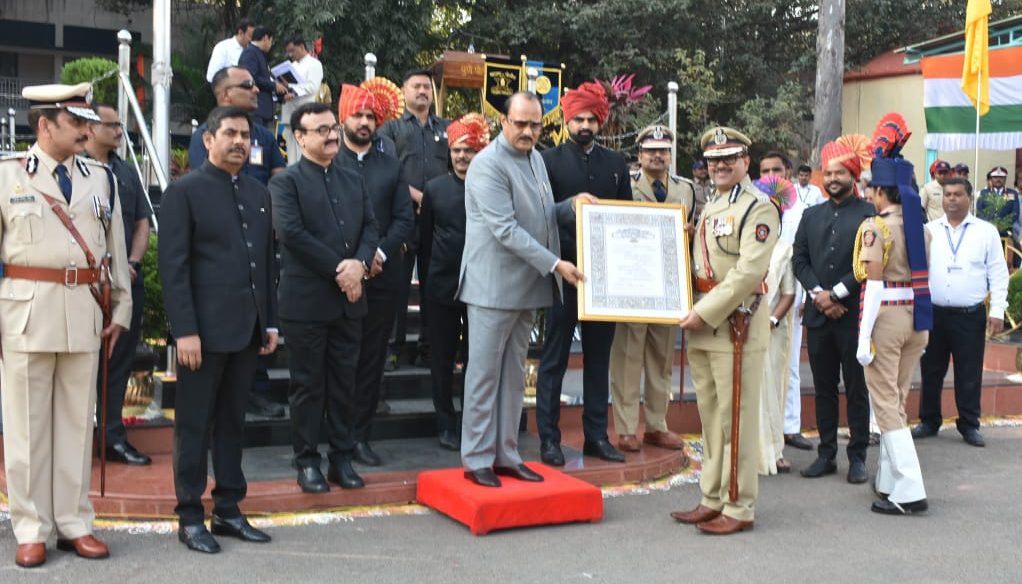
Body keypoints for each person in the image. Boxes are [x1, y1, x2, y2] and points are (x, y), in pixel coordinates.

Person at [0, 83, 131, 568]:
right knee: (27, 429)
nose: (85, 130)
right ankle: (31, 527)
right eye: (75, 122)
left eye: (87, 122)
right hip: (26, 313)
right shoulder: (8, 174)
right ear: (45, 125)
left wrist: (121, 308)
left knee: (77, 426)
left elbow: (114, 246)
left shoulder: (101, 178)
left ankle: (74, 522)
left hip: (84, 312)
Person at [458, 91, 591, 488]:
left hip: (527, 287)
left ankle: (506, 454)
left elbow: (541, 216)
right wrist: (555, 264)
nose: (528, 131)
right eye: (520, 123)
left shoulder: (535, 159)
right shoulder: (487, 165)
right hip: (492, 288)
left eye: (535, 124)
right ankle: (477, 458)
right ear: (504, 122)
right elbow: (506, 229)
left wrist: (571, 205)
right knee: (484, 376)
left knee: (514, 377)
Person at [160, 106, 278, 552]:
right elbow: (174, 268)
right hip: (202, 335)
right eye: (230, 133)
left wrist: (269, 322)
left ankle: (228, 508)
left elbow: (265, 264)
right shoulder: (184, 192)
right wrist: (184, 330)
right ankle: (190, 516)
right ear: (209, 140)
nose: (239, 142)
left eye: (245, 135)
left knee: (232, 423)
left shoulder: (258, 192)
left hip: (247, 330)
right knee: (193, 426)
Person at [672, 126, 778, 535]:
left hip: (735, 324)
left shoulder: (758, 208)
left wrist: (704, 312)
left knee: (736, 420)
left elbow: (749, 272)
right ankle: (712, 497)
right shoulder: (713, 204)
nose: (719, 166)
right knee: (712, 420)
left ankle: (739, 505)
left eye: (729, 158)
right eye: (713, 160)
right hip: (705, 324)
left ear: (745, 162)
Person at [269, 102, 380, 492]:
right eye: (322, 130)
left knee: (344, 384)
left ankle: (341, 459)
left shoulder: (353, 179)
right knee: (308, 386)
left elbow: (370, 227)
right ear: (300, 138)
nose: (332, 135)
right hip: (307, 303)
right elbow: (292, 235)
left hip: (350, 302)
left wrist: (360, 265)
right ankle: (307, 462)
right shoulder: (285, 183)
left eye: (333, 128)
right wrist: (341, 270)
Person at [535, 80, 632, 467]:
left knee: (598, 359)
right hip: (563, 273)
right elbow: (540, 216)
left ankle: (596, 436)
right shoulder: (546, 161)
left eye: (592, 119)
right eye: (579, 119)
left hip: (604, 278)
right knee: (554, 358)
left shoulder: (616, 164)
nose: (586, 125)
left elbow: (627, 217)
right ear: (567, 120)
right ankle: (549, 439)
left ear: (601, 121)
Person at [189, 66, 287, 418]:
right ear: (224, 94)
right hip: (224, 249)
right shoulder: (204, 135)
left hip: (258, 230)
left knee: (257, 316)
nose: (257, 89)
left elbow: (278, 175)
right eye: (247, 85)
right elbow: (207, 187)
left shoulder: (262, 134)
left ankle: (256, 390)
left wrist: (266, 213)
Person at [854, 114, 931, 515]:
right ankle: (889, 480)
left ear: (882, 191)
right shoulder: (923, 228)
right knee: (897, 398)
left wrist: (863, 336)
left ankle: (910, 489)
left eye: (872, 188)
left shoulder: (876, 228)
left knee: (884, 402)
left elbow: (874, 284)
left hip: (886, 316)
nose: (869, 195)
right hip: (917, 315)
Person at [335, 82, 413, 467]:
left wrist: (376, 254)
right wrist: (353, 262)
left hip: (382, 277)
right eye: (358, 115)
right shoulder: (330, 163)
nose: (364, 122)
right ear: (343, 119)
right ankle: (334, 438)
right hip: (336, 278)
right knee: (339, 362)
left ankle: (359, 437)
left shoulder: (391, 167)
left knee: (371, 360)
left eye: (370, 116)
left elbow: (404, 218)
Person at [792, 136, 875, 483]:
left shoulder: (869, 214)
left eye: (840, 173)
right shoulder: (811, 215)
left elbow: (869, 263)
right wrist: (819, 296)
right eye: (828, 173)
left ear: (853, 175)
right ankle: (826, 454)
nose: (833, 179)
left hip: (853, 317)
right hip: (819, 316)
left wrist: (837, 295)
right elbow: (799, 259)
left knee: (856, 389)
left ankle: (857, 457)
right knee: (823, 388)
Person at [608, 124, 692, 453]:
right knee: (627, 358)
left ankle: (657, 425)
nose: (657, 156)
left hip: (667, 287)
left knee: (661, 358)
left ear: (670, 155)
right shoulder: (625, 184)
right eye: (651, 150)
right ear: (640, 154)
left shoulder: (686, 189)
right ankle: (627, 428)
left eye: (663, 150)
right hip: (631, 283)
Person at [913, 177, 1008, 447]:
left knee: (969, 372)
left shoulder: (986, 232)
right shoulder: (929, 230)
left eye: (957, 194)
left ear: (969, 198)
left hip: (969, 315)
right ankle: (929, 420)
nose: (951, 199)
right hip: (934, 313)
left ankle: (969, 424)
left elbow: (998, 272)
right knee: (931, 370)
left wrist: (998, 310)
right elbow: (918, 271)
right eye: (947, 194)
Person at [84, 103, 154, 466]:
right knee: (81, 362)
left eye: (120, 126)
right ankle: (79, 439)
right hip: (85, 285)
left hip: (124, 283)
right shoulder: (75, 167)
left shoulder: (126, 171)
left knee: (119, 361)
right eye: (112, 125)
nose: (119, 132)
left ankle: (111, 437)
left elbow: (142, 221)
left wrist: (132, 263)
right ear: (91, 128)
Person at [420, 113, 489, 450]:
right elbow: (425, 243)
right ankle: (445, 423)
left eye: (469, 150)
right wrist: (427, 288)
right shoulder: (434, 189)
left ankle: (471, 423)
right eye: (457, 150)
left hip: (481, 287)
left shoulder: (490, 188)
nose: (463, 156)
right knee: (442, 359)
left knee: (476, 359)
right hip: (441, 287)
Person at [378, 68, 451, 371]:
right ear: (404, 91)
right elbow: (386, 169)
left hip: (439, 220)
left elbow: (458, 167)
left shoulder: (447, 127)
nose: (422, 91)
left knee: (434, 285)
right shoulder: (390, 129)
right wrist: (421, 198)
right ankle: (392, 349)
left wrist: (435, 201)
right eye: (416, 86)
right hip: (402, 216)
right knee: (397, 284)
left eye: (427, 87)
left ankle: (428, 347)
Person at [751, 168, 797, 475]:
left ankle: (773, 449)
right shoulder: (743, 247)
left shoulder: (784, 249)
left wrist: (770, 319)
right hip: (741, 325)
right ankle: (746, 451)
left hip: (772, 327)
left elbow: (788, 293)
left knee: (772, 388)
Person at [783, 163, 826, 451]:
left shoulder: (801, 211)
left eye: (777, 169)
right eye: (766, 170)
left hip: (792, 296)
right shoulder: (755, 205)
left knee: (790, 365)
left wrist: (803, 296)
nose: (772, 175)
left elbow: (804, 256)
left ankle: (790, 426)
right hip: (757, 299)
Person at [281, 36, 324, 164]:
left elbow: (312, 86)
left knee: (303, 152)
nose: (290, 54)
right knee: (291, 155)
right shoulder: (291, 66)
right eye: (288, 52)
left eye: (292, 50)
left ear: (301, 46)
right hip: (289, 112)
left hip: (304, 113)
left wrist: (292, 88)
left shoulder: (314, 64)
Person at [238, 27, 286, 128]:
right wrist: (273, 85)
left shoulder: (259, 53)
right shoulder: (250, 53)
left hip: (263, 109)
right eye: (271, 41)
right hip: (256, 108)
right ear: (265, 38)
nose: (270, 45)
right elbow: (251, 77)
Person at [205, 18, 254, 83]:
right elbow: (212, 76)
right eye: (250, 36)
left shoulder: (252, 49)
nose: (251, 40)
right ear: (240, 32)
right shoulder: (223, 47)